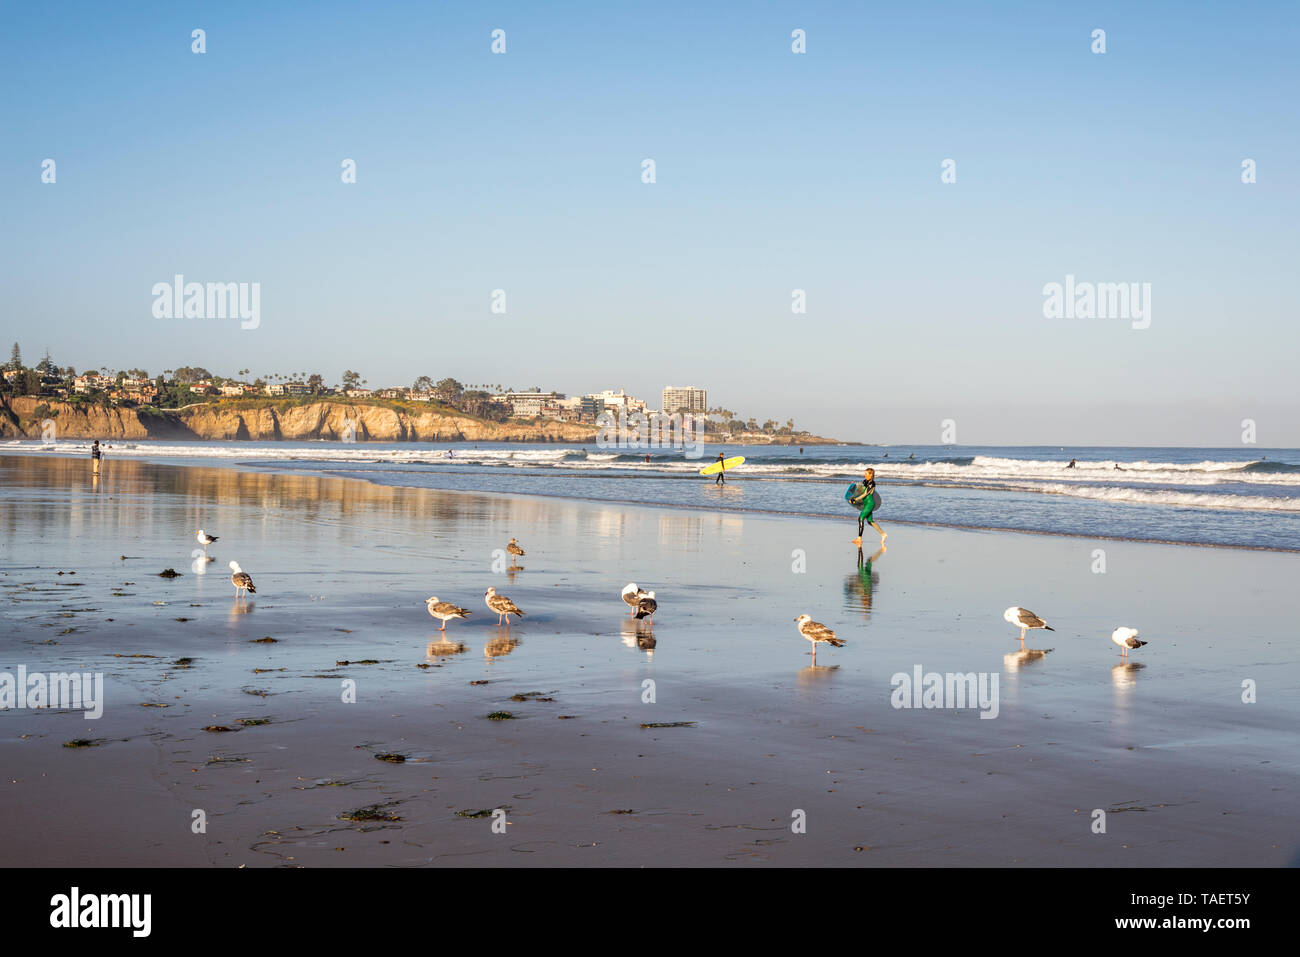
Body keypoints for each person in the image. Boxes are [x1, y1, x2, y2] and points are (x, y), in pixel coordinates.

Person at [848, 468, 886, 546]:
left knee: (860, 518)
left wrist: (856, 499)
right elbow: (860, 490)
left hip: (870, 503)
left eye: (866, 474)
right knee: (870, 521)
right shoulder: (865, 481)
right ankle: (883, 534)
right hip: (865, 503)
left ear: (871, 475)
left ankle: (859, 538)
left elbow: (865, 494)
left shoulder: (872, 483)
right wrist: (853, 495)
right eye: (864, 473)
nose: (865, 475)